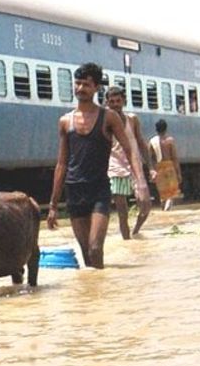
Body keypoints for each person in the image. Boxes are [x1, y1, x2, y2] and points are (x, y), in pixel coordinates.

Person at [47, 63, 145, 268]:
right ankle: (94, 293)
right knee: (86, 254)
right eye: (78, 84)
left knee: (95, 248)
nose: (81, 88)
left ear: (96, 88)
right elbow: (62, 163)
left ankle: (103, 293)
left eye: (87, 85)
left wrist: (141, 182)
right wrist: (53, 206)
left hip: (99, 189)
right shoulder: (65, 121)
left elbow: (130, 150)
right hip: (74, 190)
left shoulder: (108, 117)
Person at [104, 86, 155, 240]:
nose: (115, 104)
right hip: (116, 168)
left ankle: (136, 231)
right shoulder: (105, 122)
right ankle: (127, 241)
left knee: (145, 204)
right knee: (122, 212)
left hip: (135, 166)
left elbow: (141, 142)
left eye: (118, 101)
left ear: (124, 101)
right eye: (111, 101)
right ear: (107, 103)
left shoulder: (132, 119)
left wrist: (151, 167)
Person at [149, 119, 183, 211]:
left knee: (162, 193)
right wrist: (178, 173)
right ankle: (168, 208)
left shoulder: (152, 141)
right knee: (171, 192)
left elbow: (150, 158)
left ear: (156, 129)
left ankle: (163, 208)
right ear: (166, 129)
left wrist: (152, 170)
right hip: (169, 168)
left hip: (159, 167)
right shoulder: (170, 141)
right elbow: (174, 158)